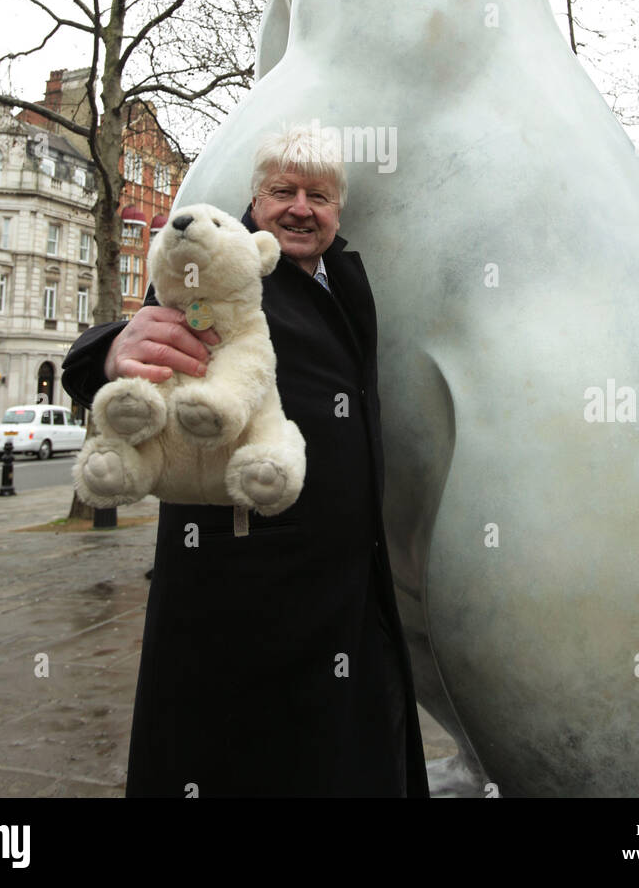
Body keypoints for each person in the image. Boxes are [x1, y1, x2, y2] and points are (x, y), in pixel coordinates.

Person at [61, 127, 429, 798]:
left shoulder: (345, 276)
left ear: (338, 209)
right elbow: (144, 331)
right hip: (245, 589)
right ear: (254, 201)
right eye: (282, 191)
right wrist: (111, 352)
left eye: (318, 195)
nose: (300, 208)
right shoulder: (223, 270)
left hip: (348, 582)